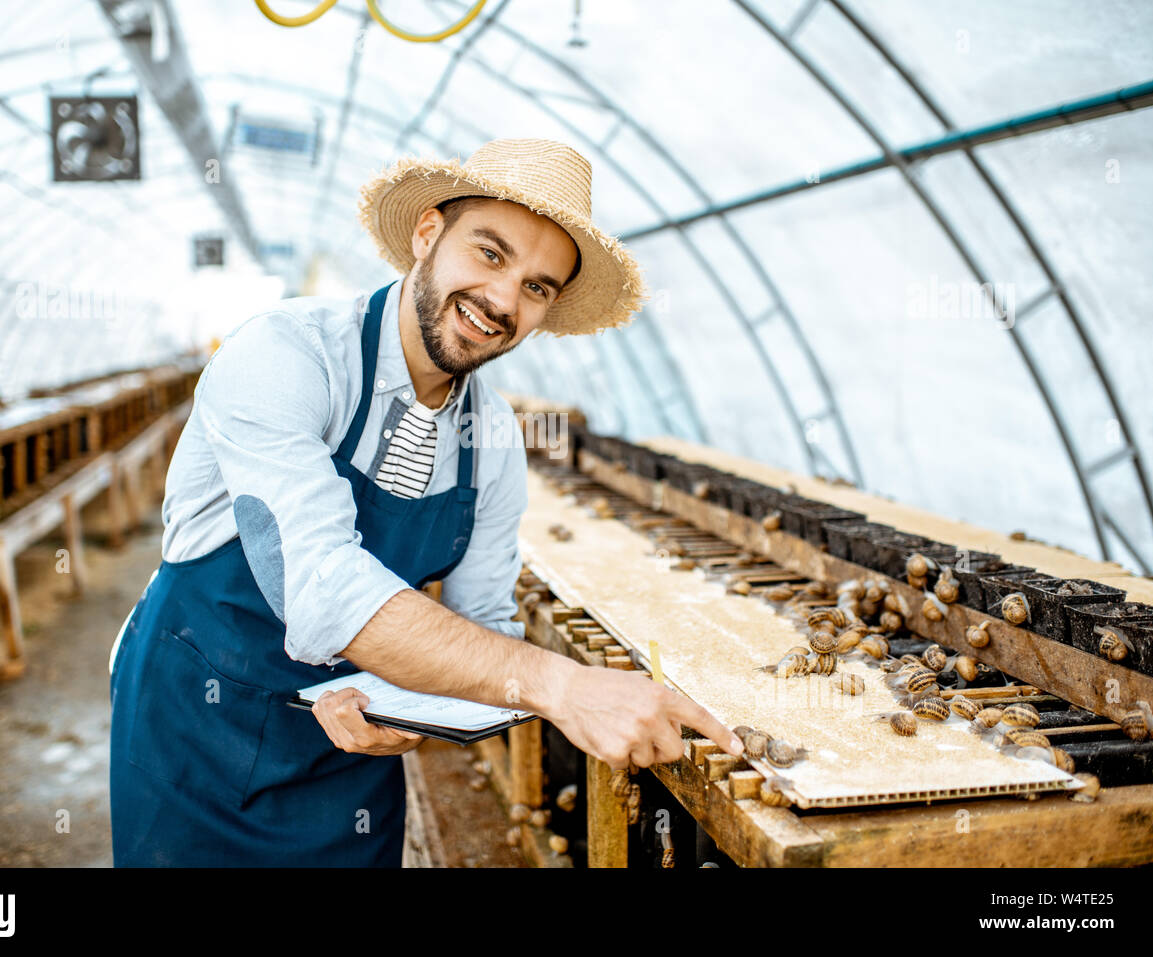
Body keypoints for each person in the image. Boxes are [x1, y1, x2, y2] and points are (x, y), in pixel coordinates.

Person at [108, 138, 743, 866]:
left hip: (349, 759)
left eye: (537, 286)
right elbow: (324, 589)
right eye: (491, 253)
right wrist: (561, 685)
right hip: (198, 738)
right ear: (427, 234)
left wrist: (394, 697)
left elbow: (482, 626)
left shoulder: (492, 438)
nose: (502, 301)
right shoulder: (284, 358)